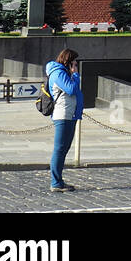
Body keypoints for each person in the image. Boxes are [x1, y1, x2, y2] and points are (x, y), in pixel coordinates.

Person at [45, 49, 83, 193]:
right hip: (63, 115)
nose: (75, 65)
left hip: (70, 115)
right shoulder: (58, 73)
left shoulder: (63, 72)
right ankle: (56, 182)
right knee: (59, 149)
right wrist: (75, 75)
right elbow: (71, 89)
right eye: (74, 62)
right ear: (68, 61)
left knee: (63, 149)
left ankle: (58, 180)